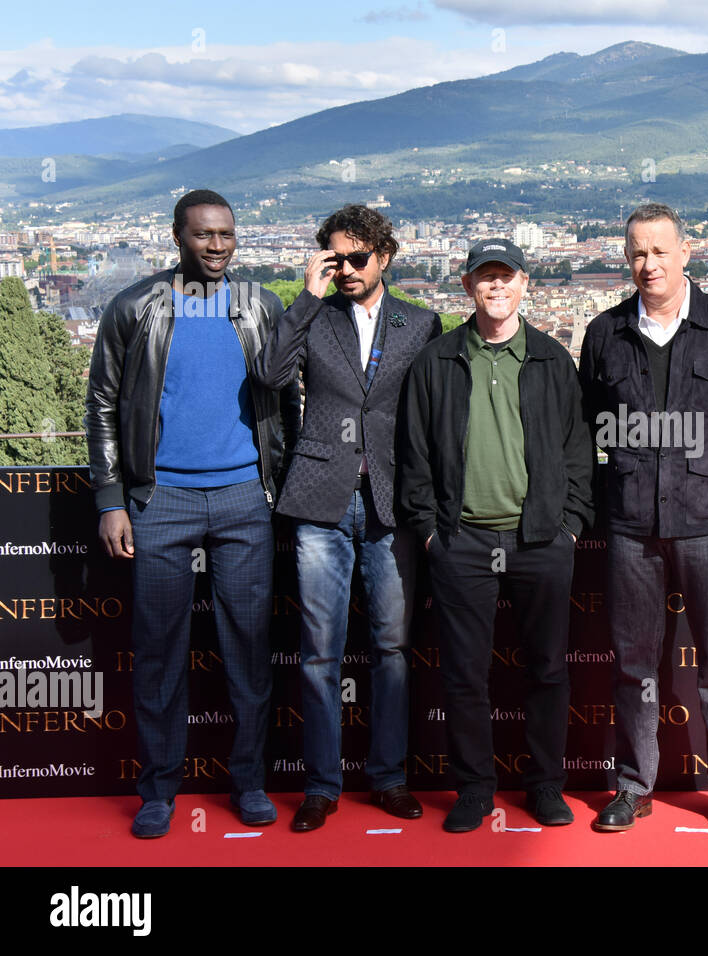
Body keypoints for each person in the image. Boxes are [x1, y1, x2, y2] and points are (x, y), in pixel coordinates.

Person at [85, 189, 296, 838]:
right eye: (204, 235)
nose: (216, 246)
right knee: (157, 654)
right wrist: (111, 499)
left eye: (227, 235)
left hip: (244, 500)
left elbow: (287, 404)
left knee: (250, 651)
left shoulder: (259, 306)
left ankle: (252, 781)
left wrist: (282, 488)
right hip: (161, 501)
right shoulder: (135, 307)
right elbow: (101, 406)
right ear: (177, 237)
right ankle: (158, 790)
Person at [578, 203, 708, 834]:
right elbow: (591, 421)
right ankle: (632, 785)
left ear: (686, 253)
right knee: (633, 662)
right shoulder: (604, 334)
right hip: (632, 523)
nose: (648, 263)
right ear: (624, 257)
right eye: (637, 251)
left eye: (660, 250)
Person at [251, 204, 441, 832]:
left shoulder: (421, 323)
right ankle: (320, 787)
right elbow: (270, 373)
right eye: (337, 259)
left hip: (391, 505)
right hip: (319, 501)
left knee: (390, 649)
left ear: (385, 256)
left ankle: (389, 778)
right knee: (317, 654)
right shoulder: (313, 314)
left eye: (359, 258)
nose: (349, 270)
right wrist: (306, 295)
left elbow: (437, 414)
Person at [397, 238, 594, 832]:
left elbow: (578, 449)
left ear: (525, 283)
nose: (497, 287)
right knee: (462, 675)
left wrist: (570, 527)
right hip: (462, 541)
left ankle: (545, 787)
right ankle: (475, 791)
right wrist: (431, 532)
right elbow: (415, 455)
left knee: (549, 670)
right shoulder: (437, 362)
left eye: (506, 277)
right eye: (485, 278)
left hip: (540, 539)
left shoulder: (552, 360)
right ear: (467, 288)